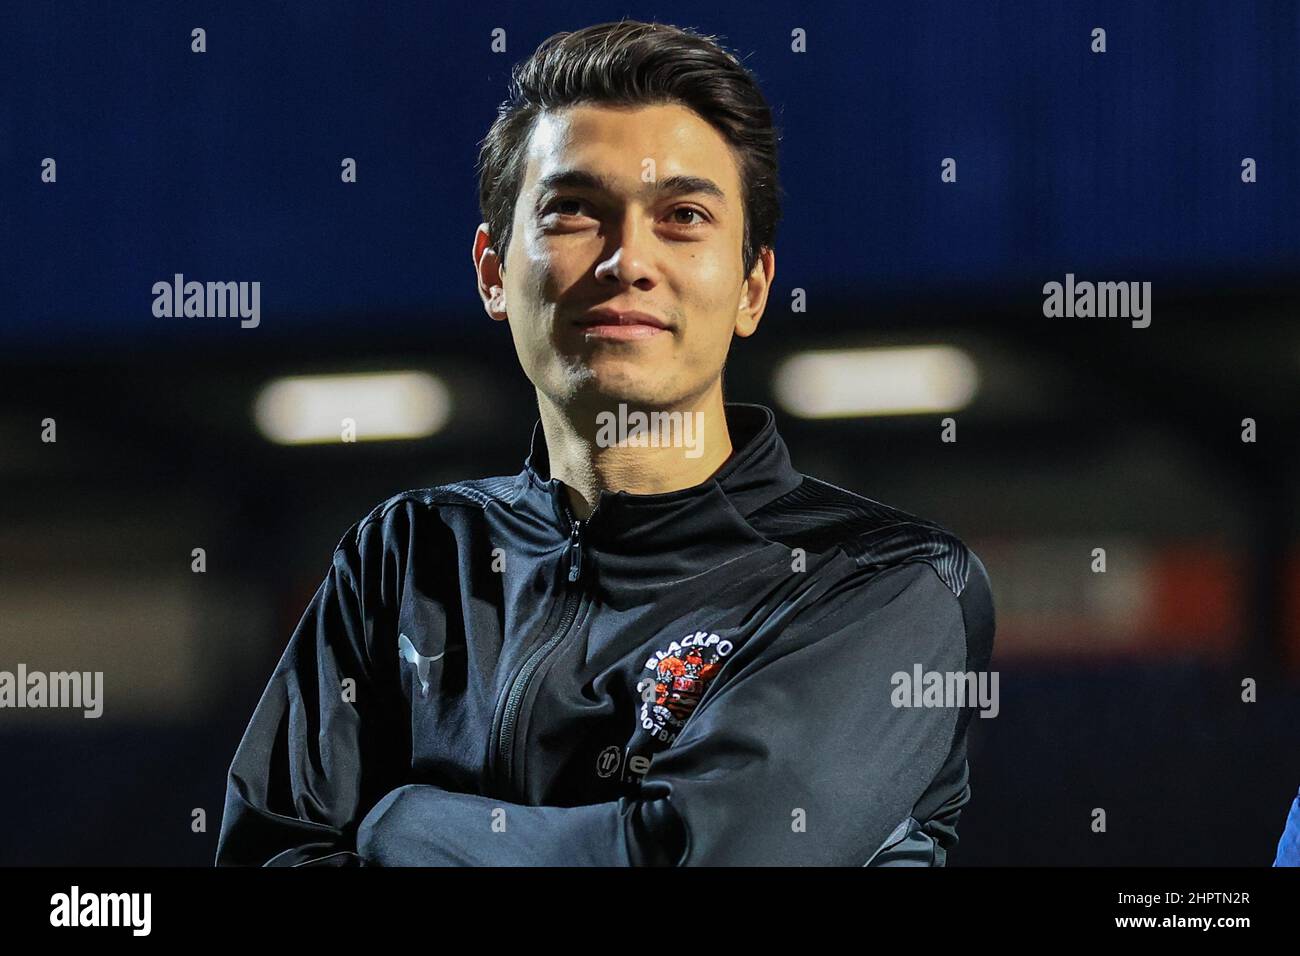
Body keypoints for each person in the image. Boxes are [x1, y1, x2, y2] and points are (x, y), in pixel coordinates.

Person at [214, 18, 995, 867]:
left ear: (752, 286)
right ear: (492, 273)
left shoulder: (885, 581)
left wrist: (398, 825)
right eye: (574, 211)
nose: (628, 259)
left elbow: (697, 862)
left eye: (684, 216)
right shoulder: (404, 559)